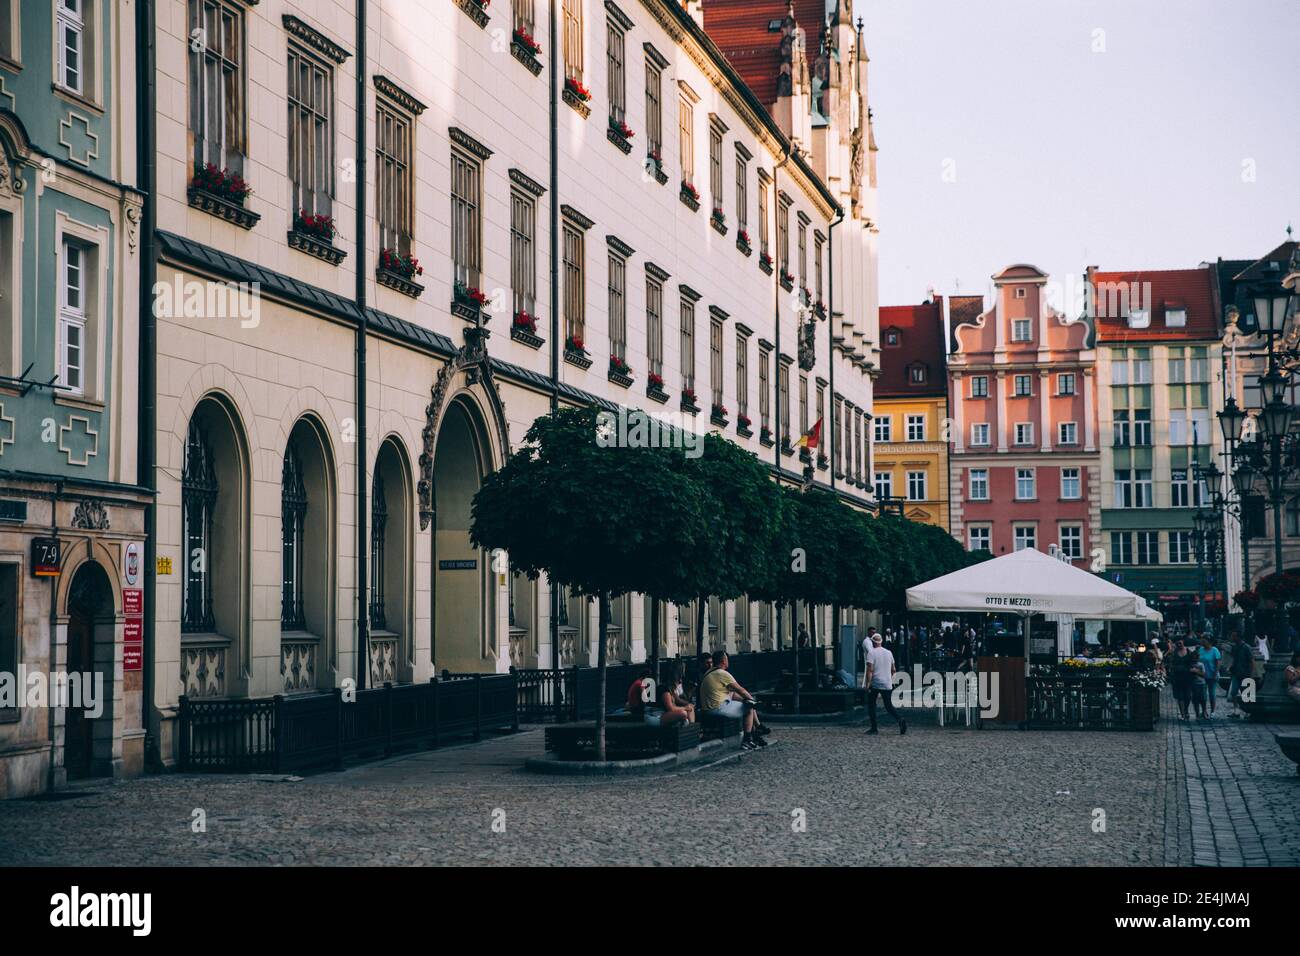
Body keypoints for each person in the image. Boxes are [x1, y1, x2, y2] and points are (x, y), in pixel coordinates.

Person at [699, 650, 768, 750]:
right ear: (723, 661)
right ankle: (747, 740)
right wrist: (753, 701)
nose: (728, 661)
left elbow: (734, 693)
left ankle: (758, 727)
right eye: (727, 659)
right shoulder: (722, 673)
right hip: (717, 708)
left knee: (738, 696)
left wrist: (748, 700)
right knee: (749, 708)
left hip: (709, 707)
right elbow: (741, 690)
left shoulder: (709, 672)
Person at [863, 632, 906, 736]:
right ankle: (899, 719)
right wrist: (892, 681)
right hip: (887, 683)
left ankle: (874, 728)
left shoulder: (871, 653)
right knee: (888, 705)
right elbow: (893, 669)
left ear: (873, 642)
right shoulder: (889, 652)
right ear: (881, 641)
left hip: (876, 683)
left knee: (872, 705)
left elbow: (870, 670)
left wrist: (867, 684)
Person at [647, 661, 695, 726]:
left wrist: (689, 704)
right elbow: (671, 708)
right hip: (654, 715)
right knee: (683, 713)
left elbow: (678, 700)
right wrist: (685, 707)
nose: (680, 683)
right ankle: (690, 728)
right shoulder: (664, 689)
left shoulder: (671, 689)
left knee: (690, 709)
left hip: (663, 714)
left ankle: (692, 728)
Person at [1226, 631, 1254, 718]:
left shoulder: (1246, 647)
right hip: (1236, 673)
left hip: (1245, 674)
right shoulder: (1235, 647)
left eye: (1233, 636)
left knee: (1246, 694)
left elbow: (1252, 661)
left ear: (1238, 637)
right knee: (1234, 692)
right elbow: (1234, 659)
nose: (1231, 638)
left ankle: (1248, 711)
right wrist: (1230, 667)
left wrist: (1251, 674)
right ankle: (1236, 710)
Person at [1166, 639, 1195, 721]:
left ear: (1183, 643)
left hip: (1188, 677)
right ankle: (1183, 713)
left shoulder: (1189, 651)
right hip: (1177, 677)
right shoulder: (1174, 653)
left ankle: (1186, 710)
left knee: (1188, 696)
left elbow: (1192, 662)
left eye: (1180, 643)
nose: (1179, 644)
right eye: (1177, 643)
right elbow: (1170, 663)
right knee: (1180, 697)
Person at [1198, 633, 1223, 717]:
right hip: (1202, 675)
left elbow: (1218, 663)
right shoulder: (1200, 649)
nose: (1201, 641)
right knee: (1203, 695)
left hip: (1212, 675)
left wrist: (1215, 673)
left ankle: (1212, 711)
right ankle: (1204, 711)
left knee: (1212, 694)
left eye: (1203, 639)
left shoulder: (1214, 650)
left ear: (1208, 641)